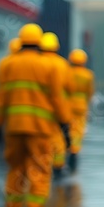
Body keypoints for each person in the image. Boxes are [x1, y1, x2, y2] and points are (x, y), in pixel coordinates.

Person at [0, 23, 71, 207]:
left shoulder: (7, 64)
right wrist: (65, 124)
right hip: (39, 128)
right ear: (39, 42)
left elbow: (1, 98)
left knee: (16, 170)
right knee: (38, 170)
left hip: (14, 128)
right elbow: (57, 98)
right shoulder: (49, 66)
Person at [41, 32, 74, 179]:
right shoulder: (62, 64)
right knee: (57, 137)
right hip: (58, 107)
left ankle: (42, 164)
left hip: (39, 107)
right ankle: (58, 166)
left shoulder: (38, 61)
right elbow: (70, 87)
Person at [68, 49, 95, 172]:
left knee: (66, 129)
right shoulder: (88, 75)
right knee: (78, 131)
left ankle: (65, 149)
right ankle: (74, 152)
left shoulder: (67, 72)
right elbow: (89, 93)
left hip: (68, 105)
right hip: (81, 106)